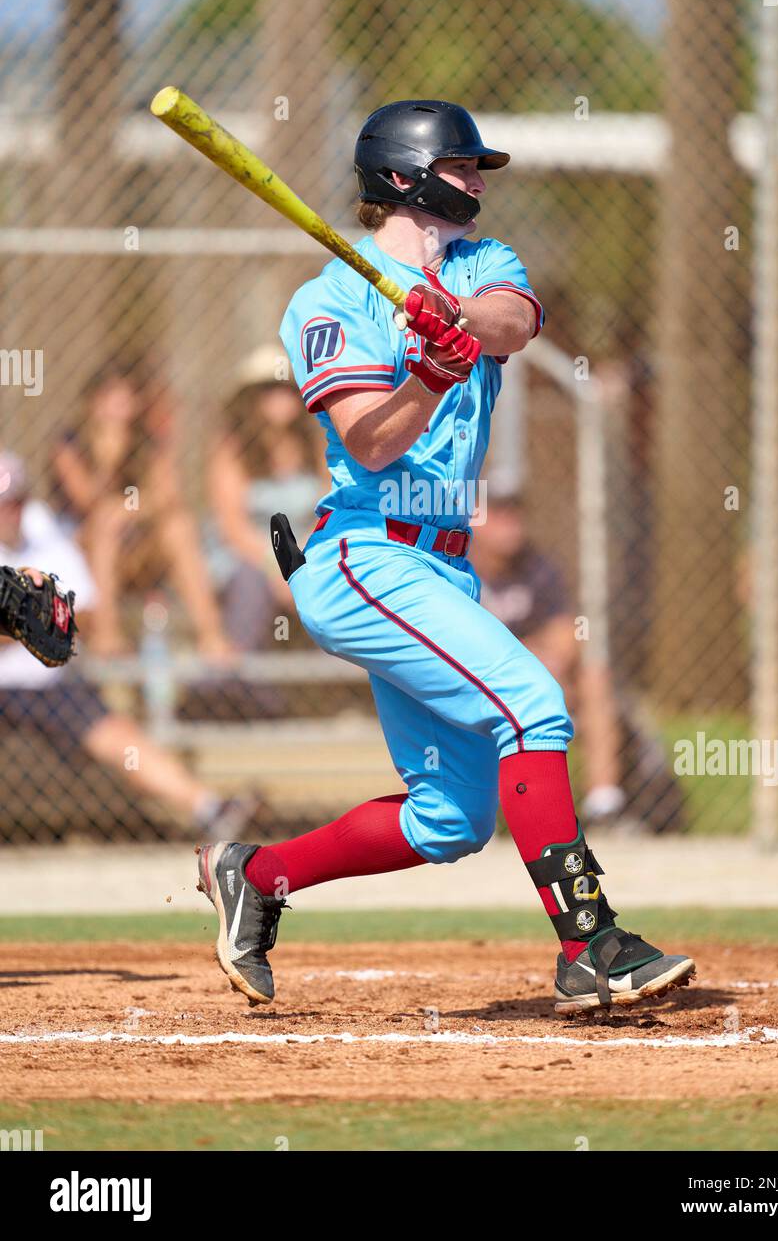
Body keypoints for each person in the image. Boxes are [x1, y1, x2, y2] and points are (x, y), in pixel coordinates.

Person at [196, 99, 694, 1012]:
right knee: (534, 707)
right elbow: (371, 442)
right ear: (402, 176)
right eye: (462, 167)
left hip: (444, 565)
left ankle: (257, 874)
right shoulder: (329, 300)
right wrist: (426, 373)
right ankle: (592, 943)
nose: (476, 181)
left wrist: (450, 316)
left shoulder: (482, 264)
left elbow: (510, 322)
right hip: (363, 557)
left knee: (451, 821)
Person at [0, 451, 253, 840]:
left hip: (49, 684)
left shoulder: (45, 539)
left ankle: (210, 808)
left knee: (115, 734)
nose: (8, 513)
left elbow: (91, 612)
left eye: (14, 502)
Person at [473, 491, 685, 832]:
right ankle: (488, 809)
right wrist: (528, 656)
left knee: (594, 676)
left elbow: (568, 633)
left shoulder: (536, 566)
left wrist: (539, 658)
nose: (510, 523)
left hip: (540, 681)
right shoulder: (459, 567)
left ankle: (603, 805)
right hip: (481, 688)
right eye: (498, 513)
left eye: (515, 512)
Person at [52, 365, 232, 658]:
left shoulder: (146, 439)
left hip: (140, 546)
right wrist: (107, 461)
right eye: (112, 398)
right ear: (93, 403)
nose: (121, 406)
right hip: (89, 549)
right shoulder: (71, 442)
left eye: (127, 397)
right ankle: (107, 635)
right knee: (104, 523)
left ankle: (211, 635)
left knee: (179, 526)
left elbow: (168, 494)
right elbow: (85, 501)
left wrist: (127, 510)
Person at [206, 345, 325, 651]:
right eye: (270, 390)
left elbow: (328, 512)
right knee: (251, 582)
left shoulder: (313, 447)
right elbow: (233, 528)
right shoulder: (234, 451)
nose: (281, 397)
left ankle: (341, 681)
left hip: (305, 552)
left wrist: (300, 562)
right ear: (251, 399)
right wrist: (279, 568)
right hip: (249, 556)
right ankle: (235, 682)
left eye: (287, 389)